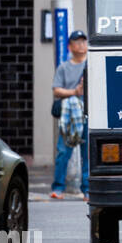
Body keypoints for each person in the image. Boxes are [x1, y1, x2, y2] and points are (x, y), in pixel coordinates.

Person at [51, 30, 90, 201]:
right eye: (77, 41)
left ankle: (87, 189)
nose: (81, 45)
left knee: (87, 153)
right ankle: (58, 187)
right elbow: (56, 90)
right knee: (62, 152)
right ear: (70, 46)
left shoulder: (91, 64)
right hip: (69, 117)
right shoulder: (64, 67)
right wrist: (75, 91)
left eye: (83, 41)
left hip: (88, 114)